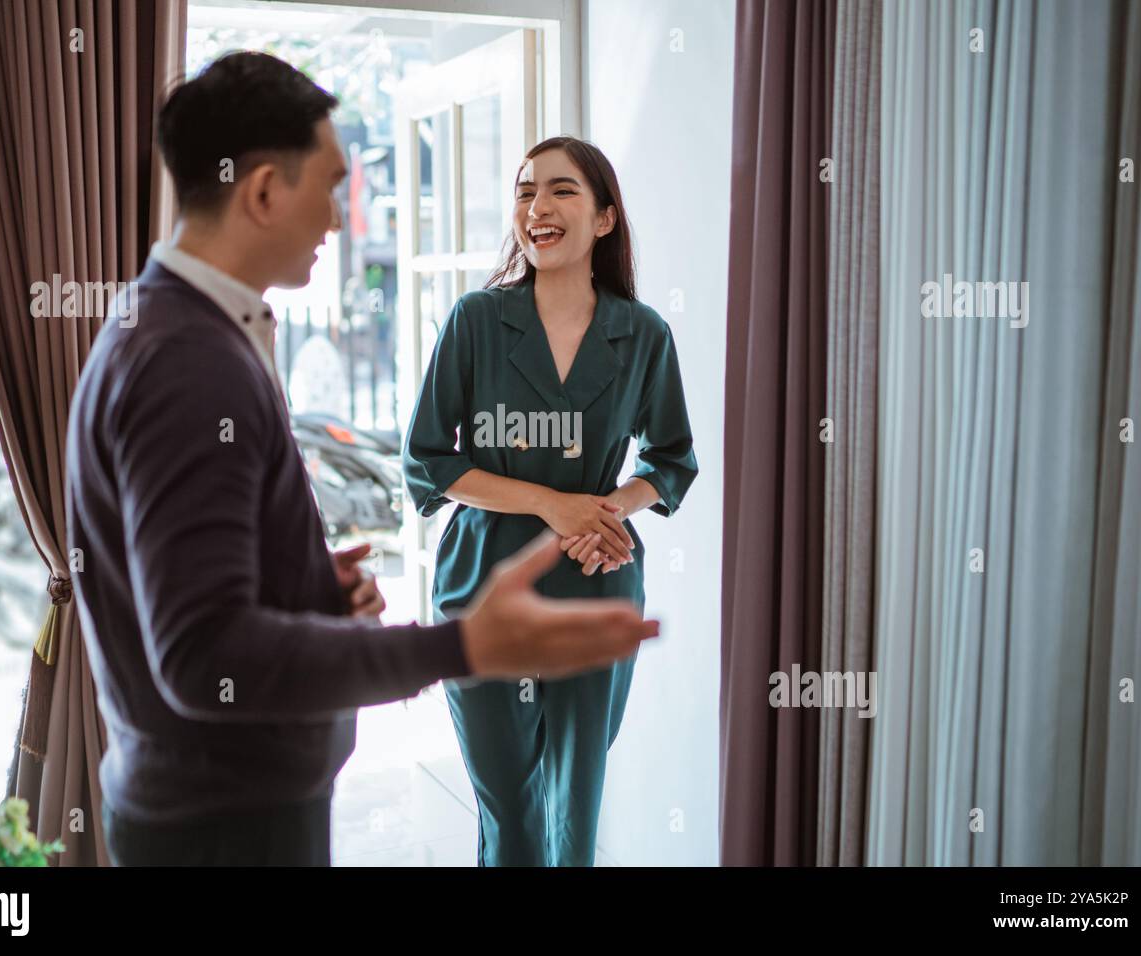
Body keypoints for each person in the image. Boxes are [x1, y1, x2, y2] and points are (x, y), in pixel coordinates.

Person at [65, 53, 659, 867]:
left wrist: (303, 589)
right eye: (332, 185)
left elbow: (189, 596)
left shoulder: (171, 330)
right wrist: (461, 648)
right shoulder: (189, 363)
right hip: (224, 820)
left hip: (222, 800)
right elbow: (203, 658)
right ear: (265, 191)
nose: (340, 220)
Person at [403, 136, 698, 866]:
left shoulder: (644, 334)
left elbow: (670, 461)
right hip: (485, 585)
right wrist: (553, 503)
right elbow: (430, 460)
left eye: (562, 190)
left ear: (603, 218)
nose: (538, 206)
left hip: (597, 582)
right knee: (509, 812)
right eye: (525, 191)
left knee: (575, 805)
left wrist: (605, 513)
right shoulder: (475, 321)